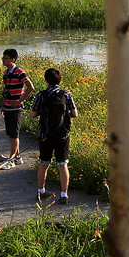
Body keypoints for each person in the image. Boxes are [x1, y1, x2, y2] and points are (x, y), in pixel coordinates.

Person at [32, 67, 77, 205]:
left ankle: (41, 191)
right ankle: (64, 195)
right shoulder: (66, 95)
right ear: (60, 80)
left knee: (44, 163)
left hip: (45, 135)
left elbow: (33, 114)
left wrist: (44, 113)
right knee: (62, 165)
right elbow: (74, 114)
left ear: (46, 80)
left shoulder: (41, 95)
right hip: (62, 134)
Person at [0, 48, 35, 163]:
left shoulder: (19, 72)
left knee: (14, 134)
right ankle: (17, 156)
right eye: (3, 58)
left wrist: (20, 101)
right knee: (11, 134)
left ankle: (11, 159)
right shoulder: (6, 73)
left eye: (6, 58)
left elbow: (30, 87)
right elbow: (6, 89)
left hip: (16, 108)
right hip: (7, 107)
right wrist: (3, 105)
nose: (3, 60)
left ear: (13, 60)